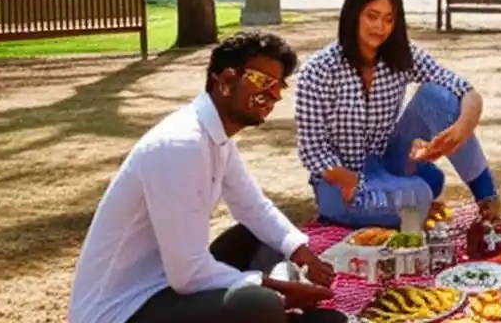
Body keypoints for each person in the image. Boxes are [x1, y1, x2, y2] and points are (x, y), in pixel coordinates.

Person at [68, 31, 345, 323]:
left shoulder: (215, 139)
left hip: (167, 288)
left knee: (266, 239)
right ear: (225, 81)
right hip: (123, 309)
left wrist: (301, 253)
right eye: (263, 82)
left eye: (280, 86)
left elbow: (253, 207)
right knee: (259, 304)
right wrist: (275, 287)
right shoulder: (180, 145)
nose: (274, 95)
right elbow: (187, 274)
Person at [294, 0, 501, 228]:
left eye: (388, 19)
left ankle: (487, 198)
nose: (380, 27)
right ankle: (405, 198)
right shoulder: (317, 70)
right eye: (372, 16)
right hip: (338, 178)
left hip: (385, 162)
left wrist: (462, 128)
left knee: (437, 97)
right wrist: (345, 178)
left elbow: (464, 90)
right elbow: (311, 148)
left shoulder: (400, 55)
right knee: (420, 194)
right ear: (354, 14)